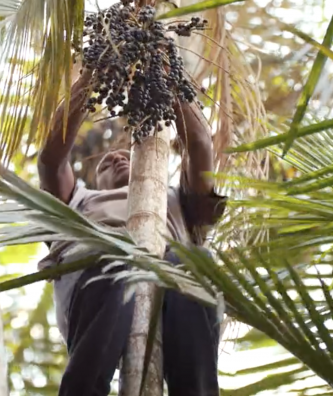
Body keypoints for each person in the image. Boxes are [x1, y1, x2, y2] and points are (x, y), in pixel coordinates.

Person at [37, 55, 227, 395]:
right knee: (114, 258)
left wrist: (166, 65)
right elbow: (51, 159)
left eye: (126, 154)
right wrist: (96, 71)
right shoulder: (78, 202)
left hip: (172, 282)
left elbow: (200, 144)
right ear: (96, 181)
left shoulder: (176, 199)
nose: (118, 156)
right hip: (97, 276)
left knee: (191, 263)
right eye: (107, 161)